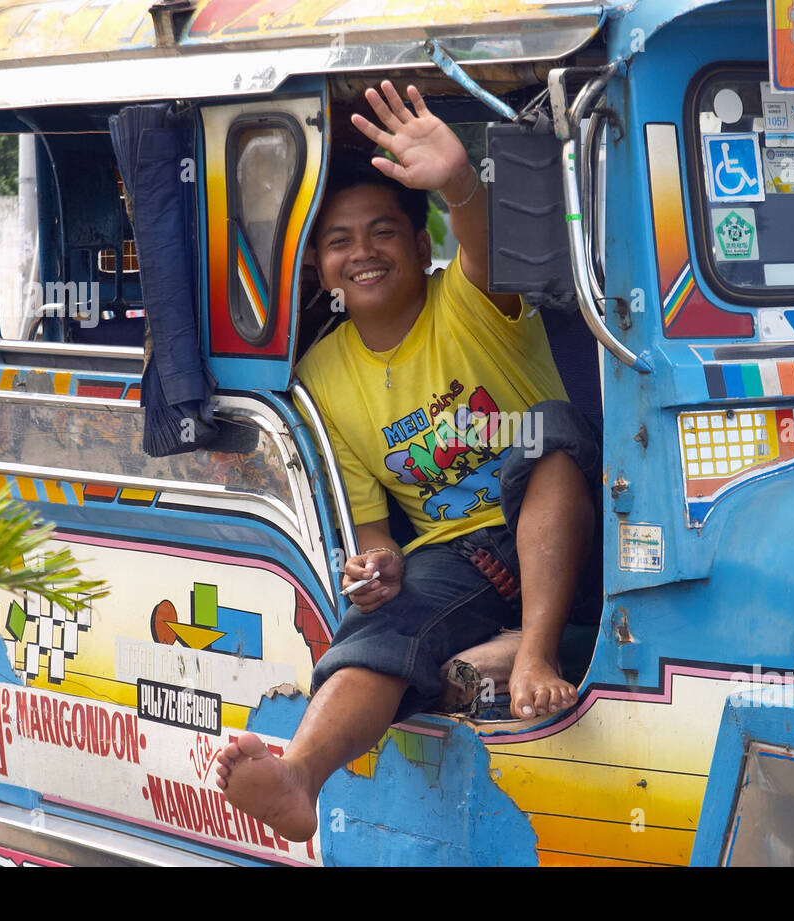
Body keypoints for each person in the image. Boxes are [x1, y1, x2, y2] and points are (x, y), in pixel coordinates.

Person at [216, 81, 600, 842]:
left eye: (384, 231)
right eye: (339, 242)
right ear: (320, 270)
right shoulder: (322, 376)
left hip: (573, 523)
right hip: (464, 562)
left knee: (545, 436)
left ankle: (534, 652)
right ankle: (299, 776)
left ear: (422, 247)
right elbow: (374, 532)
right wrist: (377, 568)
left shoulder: (465, 300)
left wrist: (458, 184)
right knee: (380, 628)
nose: (363, 252)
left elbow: (482, 245)